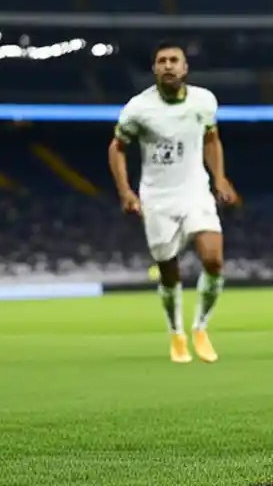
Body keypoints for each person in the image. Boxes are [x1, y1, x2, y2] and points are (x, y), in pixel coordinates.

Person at [108, 41, 238, 363]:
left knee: (214, 260)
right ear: (154, 69)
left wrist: (219, 178)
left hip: (195, 190)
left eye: (174, 61)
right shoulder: (138, 108)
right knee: (169, 271)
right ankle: (176, 331)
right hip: (158, 198)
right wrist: (126, 192)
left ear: (185, 68)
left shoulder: (204, 101)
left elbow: (211, 138)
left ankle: (200, 327)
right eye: (162, 61)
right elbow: (116, 148)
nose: (168, 66)